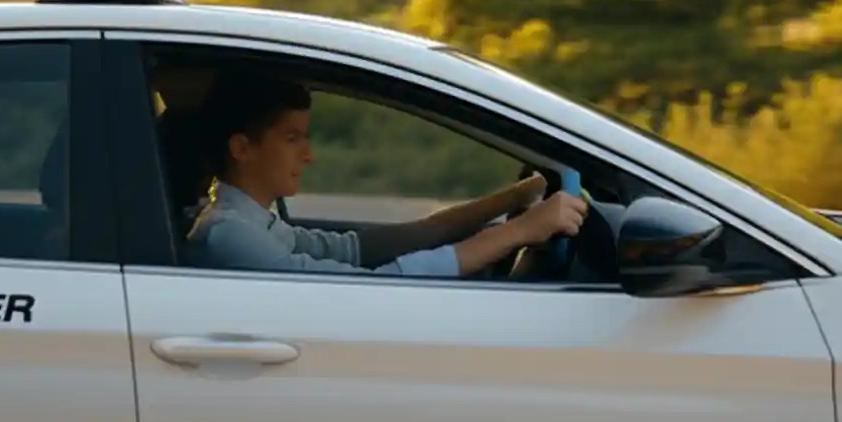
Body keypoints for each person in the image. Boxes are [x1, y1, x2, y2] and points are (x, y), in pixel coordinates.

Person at [185, 71, 588, 277]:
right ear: (242, 148)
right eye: (293, 139)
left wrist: (514, 199)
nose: (309, 156)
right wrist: (517, 232)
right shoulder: (229, 235)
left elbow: (359, 249)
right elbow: (370, 283)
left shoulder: (256, 223)